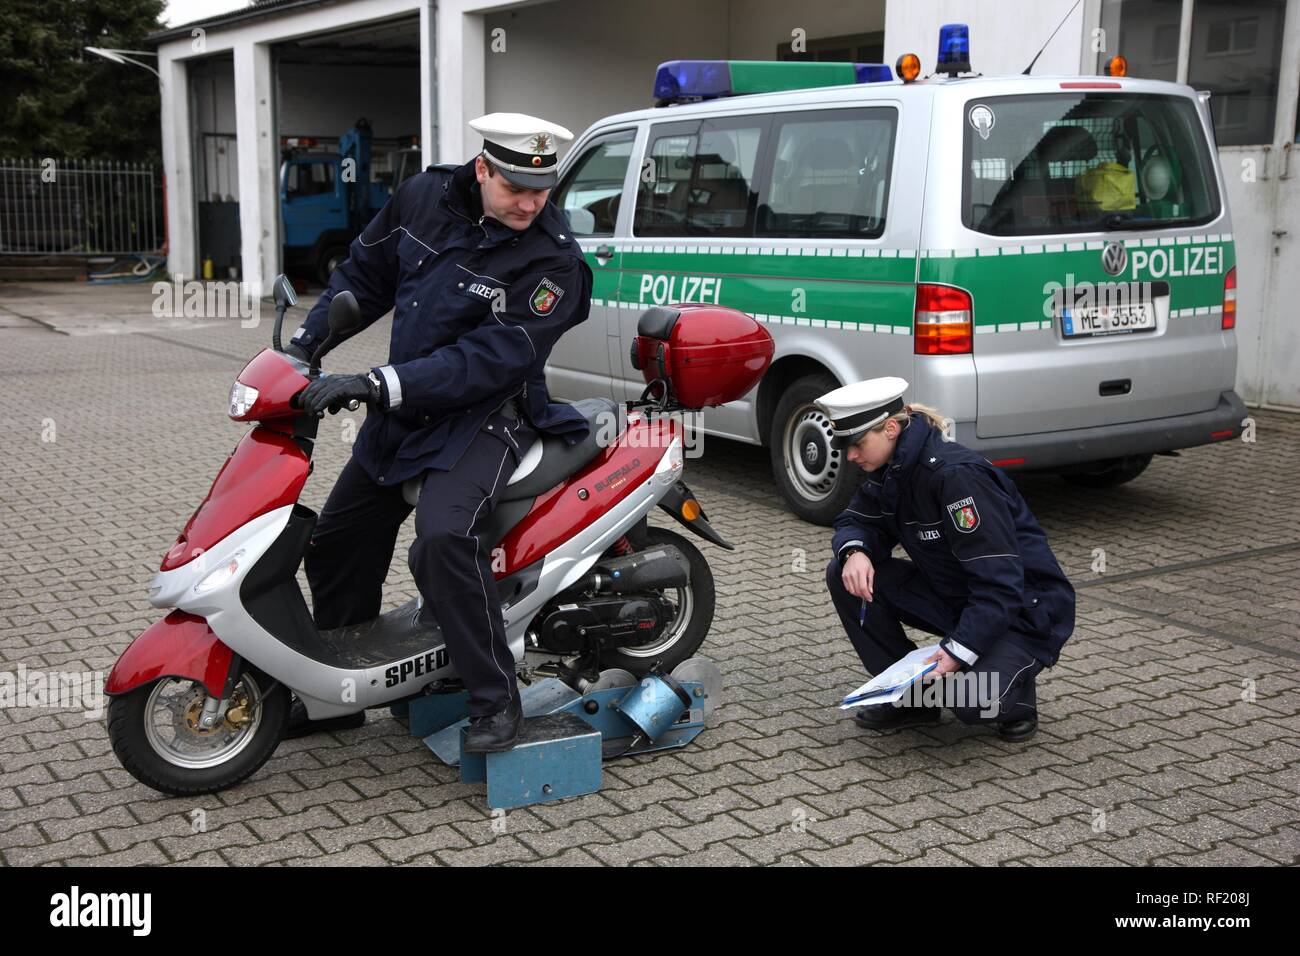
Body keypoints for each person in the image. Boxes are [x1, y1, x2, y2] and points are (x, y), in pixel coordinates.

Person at [283, 113, 592, 752]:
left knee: (445, 540)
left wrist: (375, 382)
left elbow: (493, 359)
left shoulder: (554, 260)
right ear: (482, 170)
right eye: (515, 188)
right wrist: (305, 350)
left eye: (544, 190)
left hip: (485, 416)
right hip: (400, 414)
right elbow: (365, 276)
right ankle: (336, 701)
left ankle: (495, 699)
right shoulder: (423, 196)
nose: (531, 204)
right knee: (337, 542)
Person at [821, 377, 1075, 742]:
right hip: (960, 598)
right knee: (841, 574)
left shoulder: (955, 478)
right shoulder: (889, 470)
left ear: (890, 428)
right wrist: (855, 551)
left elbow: (1000, 585)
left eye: (857, 444)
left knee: (972, 703)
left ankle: (1017, 698)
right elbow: (855, 520)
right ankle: (912, 702)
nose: (850, 456)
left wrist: (956, 652)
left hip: (1022, 612)